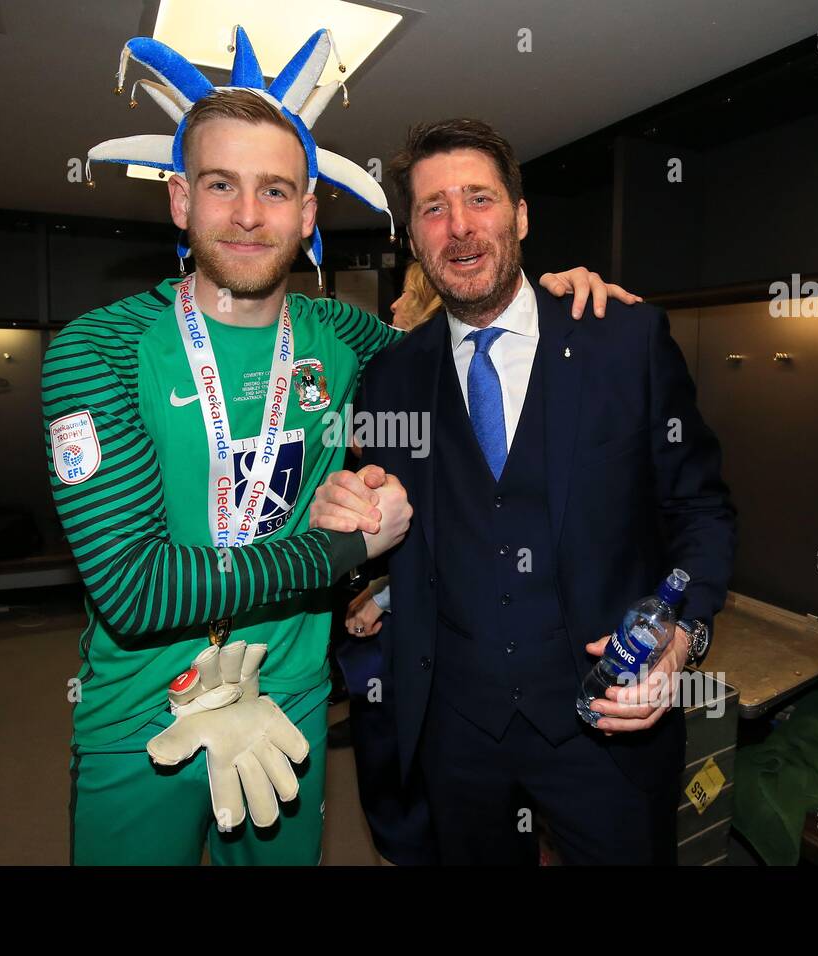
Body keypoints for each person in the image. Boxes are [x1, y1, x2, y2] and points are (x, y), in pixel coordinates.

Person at [48, 28, 639, 865]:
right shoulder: (98, 350)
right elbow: (137, 589)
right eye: (222, 186)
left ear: (309, 210)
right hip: (139, 718)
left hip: (287, 704)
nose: (250, 215)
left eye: (276, 190)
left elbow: (463, 353)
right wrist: (344, 551)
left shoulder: (346, 338)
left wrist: (541, 294)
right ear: (180, 200)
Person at [310, 118, 737, 865]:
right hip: (455, 731)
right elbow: (394, 526)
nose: (461, 226)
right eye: (434, 208)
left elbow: (701, 509)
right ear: (413, 238)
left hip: (607, 721)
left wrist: (684, 637)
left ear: (521, 215)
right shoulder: (392, 377)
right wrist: (356, 553)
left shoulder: (622, 342)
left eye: (480, 198)